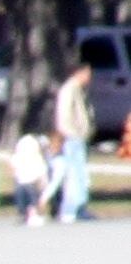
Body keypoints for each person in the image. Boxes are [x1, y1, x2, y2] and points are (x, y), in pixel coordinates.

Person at [52, 58, 97, 220]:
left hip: (80, 137)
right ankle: (71, 208)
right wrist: (71, 133)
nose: (89, 76)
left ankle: (80, 207)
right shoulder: (69, 89)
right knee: (74, 175)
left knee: (81, 174)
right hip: (73, 138)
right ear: (79, 72)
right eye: (87, 72)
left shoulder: (79, 89)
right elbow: (63, 115)